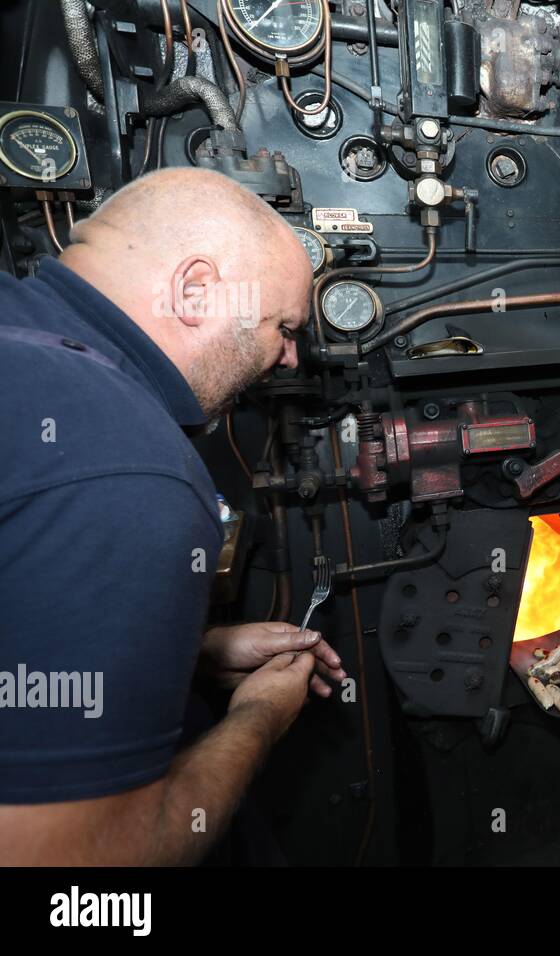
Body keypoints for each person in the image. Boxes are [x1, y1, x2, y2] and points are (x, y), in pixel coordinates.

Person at [0, 168, 346, 864]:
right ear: (195, 291)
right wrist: (260, 714)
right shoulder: (129, 464)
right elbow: (79, 878)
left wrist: (194, 655)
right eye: (283, 326)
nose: (290, 356)